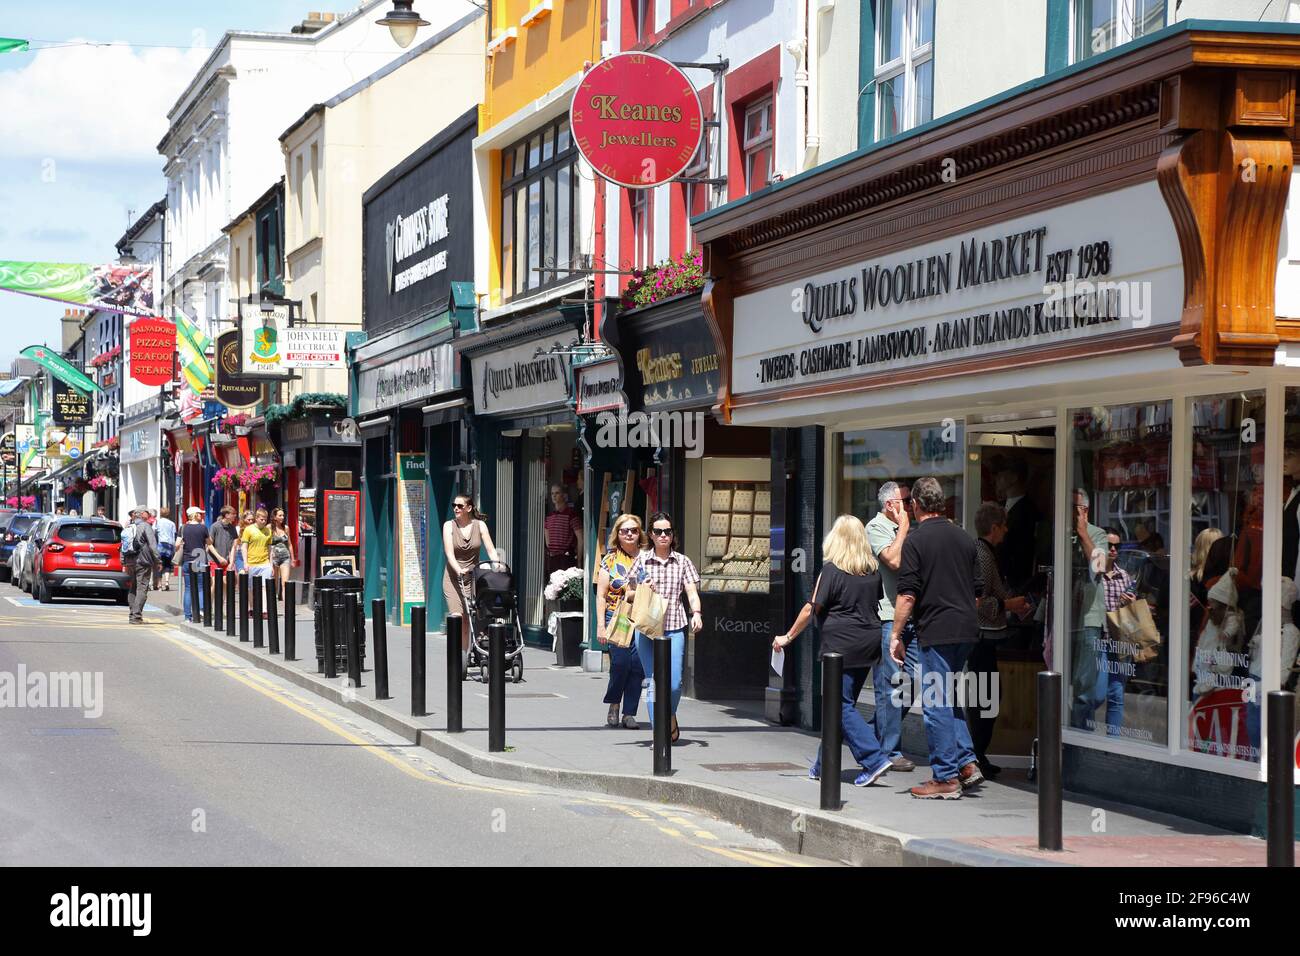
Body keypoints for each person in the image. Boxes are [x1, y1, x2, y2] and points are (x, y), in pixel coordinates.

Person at [773, 515, 892, 787]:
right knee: (840, 703)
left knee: (840, 704)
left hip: (841, 645)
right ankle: (822, 765)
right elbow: (874, 605)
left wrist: (788, 636)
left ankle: (873, 758)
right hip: (869, 642)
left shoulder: (832, 570)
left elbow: (810, 608)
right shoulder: (872, 571)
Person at [890, 477, 985, 799]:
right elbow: (977, 593)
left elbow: (906, 596)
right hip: (967, 630)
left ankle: (945, 777)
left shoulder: (915, 542)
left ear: (915, 505)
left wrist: (895, 634)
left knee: (935, 703)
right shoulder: (965, 539)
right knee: (948, 698)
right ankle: (967, 763)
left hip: (937, 630)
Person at [968, 502, 1031, 778]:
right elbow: (977, 601)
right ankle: (975, 755)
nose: (1006, 531)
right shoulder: (982, 555)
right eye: (1004, 525)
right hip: (981, 638)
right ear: (994, 527)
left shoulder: (986, 554)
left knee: (987, 698)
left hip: (986, 638)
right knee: (986, 699)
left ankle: (977, 755)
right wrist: (1008, 605)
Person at [626, 512, 701, 743]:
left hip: (674, 626)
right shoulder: (641, 561)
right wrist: (640, 587)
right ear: (651, 534)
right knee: (653, 681)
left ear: (672, 534)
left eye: (667, 531)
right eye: (658, 531)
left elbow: (691, 592)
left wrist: (696, 612)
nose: (663, 535)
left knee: (675, 682)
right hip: (647, 628)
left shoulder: (682, 561)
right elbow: (628, 595)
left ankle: (669, 716)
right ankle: (660, 733)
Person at [865, 481, 919, 772]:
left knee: (913, 682)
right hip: (887, 618)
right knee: (890, 686)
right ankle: (889, 751)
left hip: (912, 618)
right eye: (906, 500)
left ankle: (873, 734)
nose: (911, 504)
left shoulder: (908, 527)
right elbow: (895, 560)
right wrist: (906, 528)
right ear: (890, 505)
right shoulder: (875, 528)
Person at [594, 514, 647, 729]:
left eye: (634, 530)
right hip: (616, 618)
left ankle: (629, 713)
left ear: (640, 533)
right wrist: (601, 626)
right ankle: (614, 703)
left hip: (642, 618)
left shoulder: (647, 558)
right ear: (617, 534)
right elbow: (601, 595)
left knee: (638, 667)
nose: (630, 534)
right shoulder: (610, 559)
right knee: (620, 664)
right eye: (625, 531)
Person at [1067, 488, 1110, 733]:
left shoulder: (1097, 534)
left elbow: (1100, 566)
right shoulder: (1061, 534)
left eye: (1074, 507)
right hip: (1064, 618)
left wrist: (1083, 532)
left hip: (1087, 618)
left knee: (1084, 686)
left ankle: (1079, 737)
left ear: (1084, 510)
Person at [441, 494, 499, 668]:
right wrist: (459, 570)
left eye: (459, 505)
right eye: (454, 505)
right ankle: (457, 656)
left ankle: (465, 655)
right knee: (457, 618)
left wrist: (497, 566)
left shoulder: (480, 525)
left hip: (472, 577)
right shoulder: (448, 526)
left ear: (469, 508)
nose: (456, 509)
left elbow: (491, 550)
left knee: (467, 619)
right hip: (453, 577)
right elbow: (449, 553)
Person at [126, 507, 161, 625]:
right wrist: (158, 561)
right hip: (143, 562)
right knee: (142, 588)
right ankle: (136, 616)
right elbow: (153, 545)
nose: (149, 513)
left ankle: (132, 613)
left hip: (130, 562)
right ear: (141, 514)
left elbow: (123, 546)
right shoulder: (146, 526)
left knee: (133, 588)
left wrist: (123, 561)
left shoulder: (129, 526)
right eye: (147, 511)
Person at [240, 508, 274, 618]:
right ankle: (252, 608)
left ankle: (264, 610)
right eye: (261, 519)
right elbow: (244, 547)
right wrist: (245, 563)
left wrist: (271, 564)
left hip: (265, 563)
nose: (264, 521)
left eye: (265, 519)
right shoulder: (249, 530)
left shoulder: (268, 531)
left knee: (264, 587)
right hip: (252, 562)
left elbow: (270, 549)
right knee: (251, 588)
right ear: (257, 518)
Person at [543, 485, 581, 580]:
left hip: (566, 557)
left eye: (557, 493)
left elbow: (581, 538)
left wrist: (579, 560)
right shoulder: (549, 517)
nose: (554, 496)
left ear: (564, 495)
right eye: (552, 493)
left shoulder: (571, 515)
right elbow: (547, 540)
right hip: (552, 558)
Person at [179, 506, 210, 620]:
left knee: (188, 588)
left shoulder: (183, 528)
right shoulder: (203, 528)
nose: (201, 516)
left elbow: (177, 544)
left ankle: (188, 616)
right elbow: (209, 542)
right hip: (199, 560)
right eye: (200, 514)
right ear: (195, 515)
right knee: (200, 588)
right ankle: (201, 611)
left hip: (187, 560)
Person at [270, 507, 295, 601]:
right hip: (274, 558)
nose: (282, 517)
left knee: (285, 583)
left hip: (285, 557)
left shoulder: (286, 528)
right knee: (274, 583)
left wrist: (293, 559)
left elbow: (290, 544)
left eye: (283, 515)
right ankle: (272, 607)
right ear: (275, 517)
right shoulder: (269, 527)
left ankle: (286, 607)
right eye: (280, 515)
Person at [208, 506, 238, 575]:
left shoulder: (232, 528)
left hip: (226, 561)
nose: (235, 516)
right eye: (233, 514)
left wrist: (231, 562)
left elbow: (233, 547)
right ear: (227, 515)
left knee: (225, 583)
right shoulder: (215, 526)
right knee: (215, 583)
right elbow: (209, 544)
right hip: (214, 560)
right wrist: (219, 558)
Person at [153, 506, 176, 591]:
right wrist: (174, 548)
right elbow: (174, 536)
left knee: (159, 564)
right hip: (169, 545)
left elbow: (153, 532)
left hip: (160, 545)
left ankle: (159, 584)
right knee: (167, 564)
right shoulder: (172, 523)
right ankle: (166, 581)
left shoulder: (157, 522)